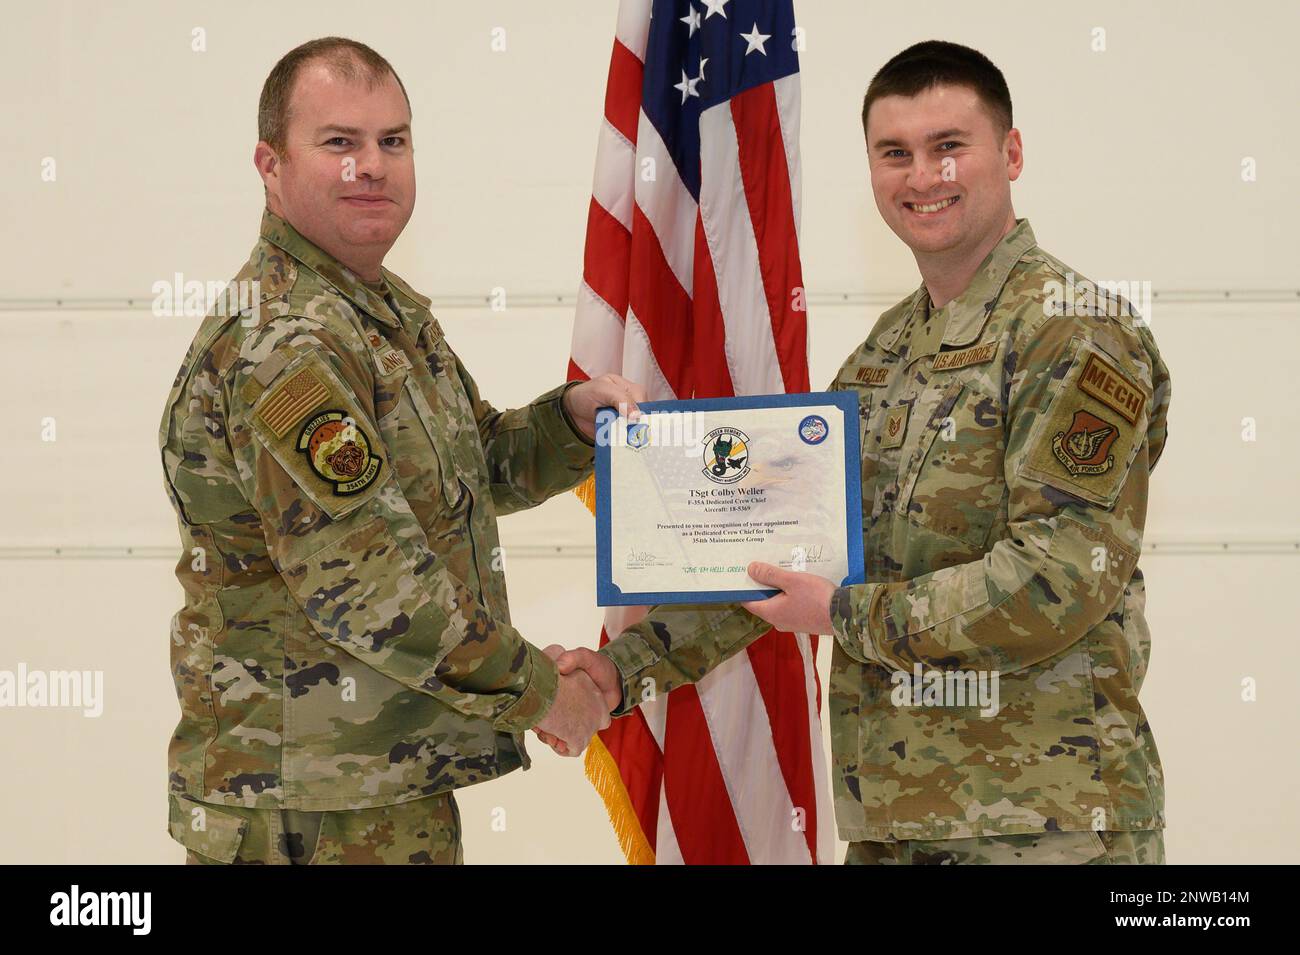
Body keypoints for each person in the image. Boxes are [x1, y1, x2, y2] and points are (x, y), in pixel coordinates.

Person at [548, 40, 1171, 865]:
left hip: (1044, 828)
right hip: (893, 827)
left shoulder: (1073, 329)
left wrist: (842, 613)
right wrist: (619, 675)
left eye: (950, 146)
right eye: (895, 154)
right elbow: (774, 556)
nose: (924, 177)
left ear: (1010, 152)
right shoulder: (884, 358)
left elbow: (1056, 579)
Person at [158, 36, 641, 865]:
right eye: (339, 142)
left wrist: (570, 424)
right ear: (270, 165)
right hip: (306, 810)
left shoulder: (373, 310)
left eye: (393, 141)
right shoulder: (288, 339)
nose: (371, 166)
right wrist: (540, 694)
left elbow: (462, 474)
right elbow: (371, 582)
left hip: (370, 784)